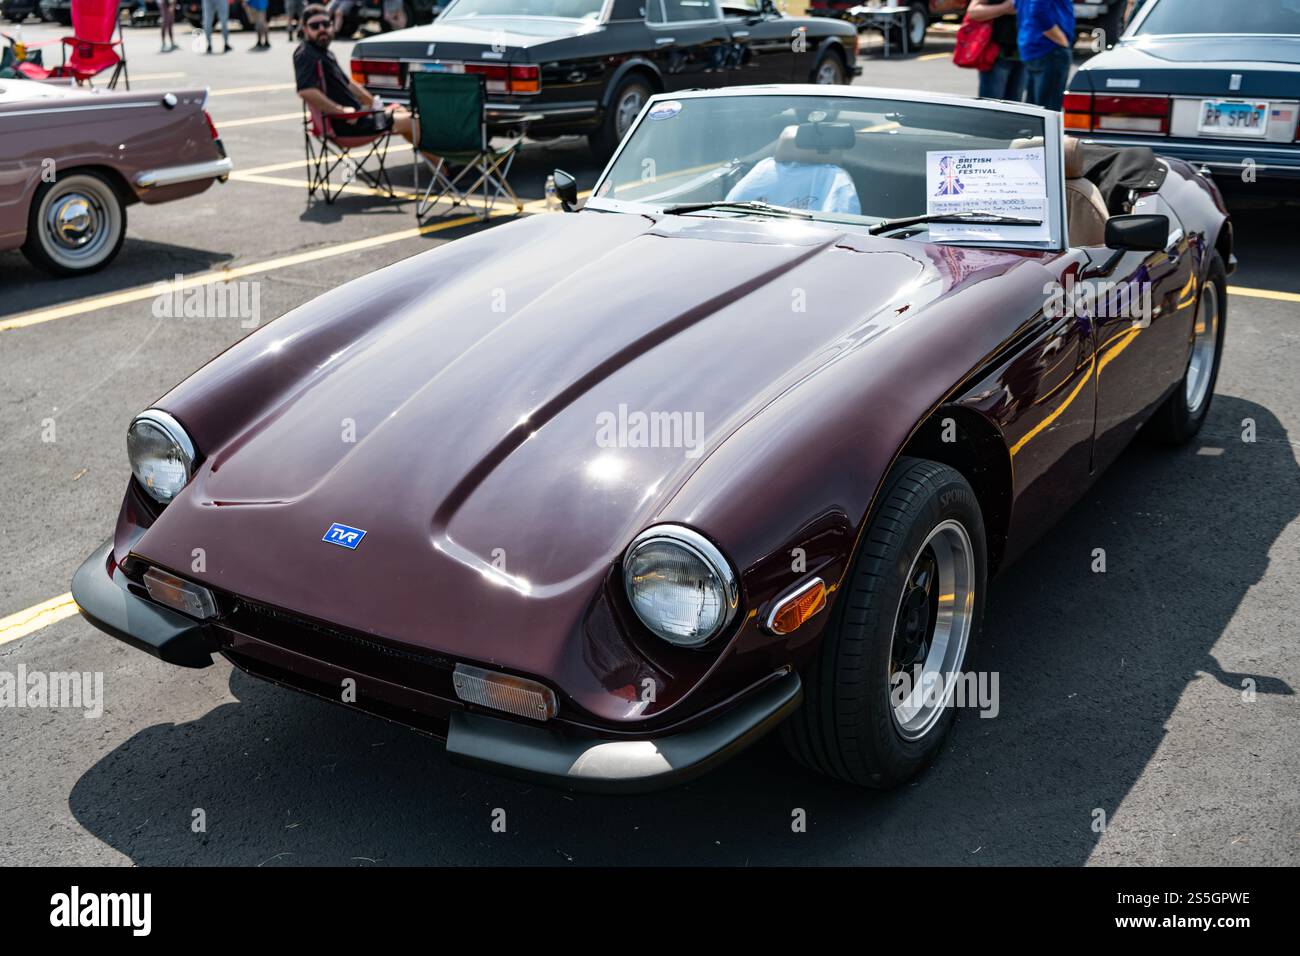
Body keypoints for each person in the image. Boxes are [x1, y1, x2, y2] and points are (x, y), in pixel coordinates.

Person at [295, 5, 424, 150]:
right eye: (315, 26)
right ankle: (441, 171)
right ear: (305, 29)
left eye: (325, 24)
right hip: (348, 126)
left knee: (401, 112)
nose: (321, 29)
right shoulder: (306, 55)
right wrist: (341, 111)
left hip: (359, 118)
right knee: (413, 122)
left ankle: (440, 168)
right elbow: (305, 91)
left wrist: (375, 105)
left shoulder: (324, 53)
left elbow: (350, 84)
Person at [1018, 0, 1074, 111]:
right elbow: (1038, 11)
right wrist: (1062, 40)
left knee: (1034, 111)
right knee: (1048, 112)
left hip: (1033, 44)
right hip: (1049, 48)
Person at [968, 0, 1023, 102]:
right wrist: (1004, 8)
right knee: (992, 107)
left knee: (1016, 112)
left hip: (1027, 57)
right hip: (998, 57)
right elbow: (972, 12)